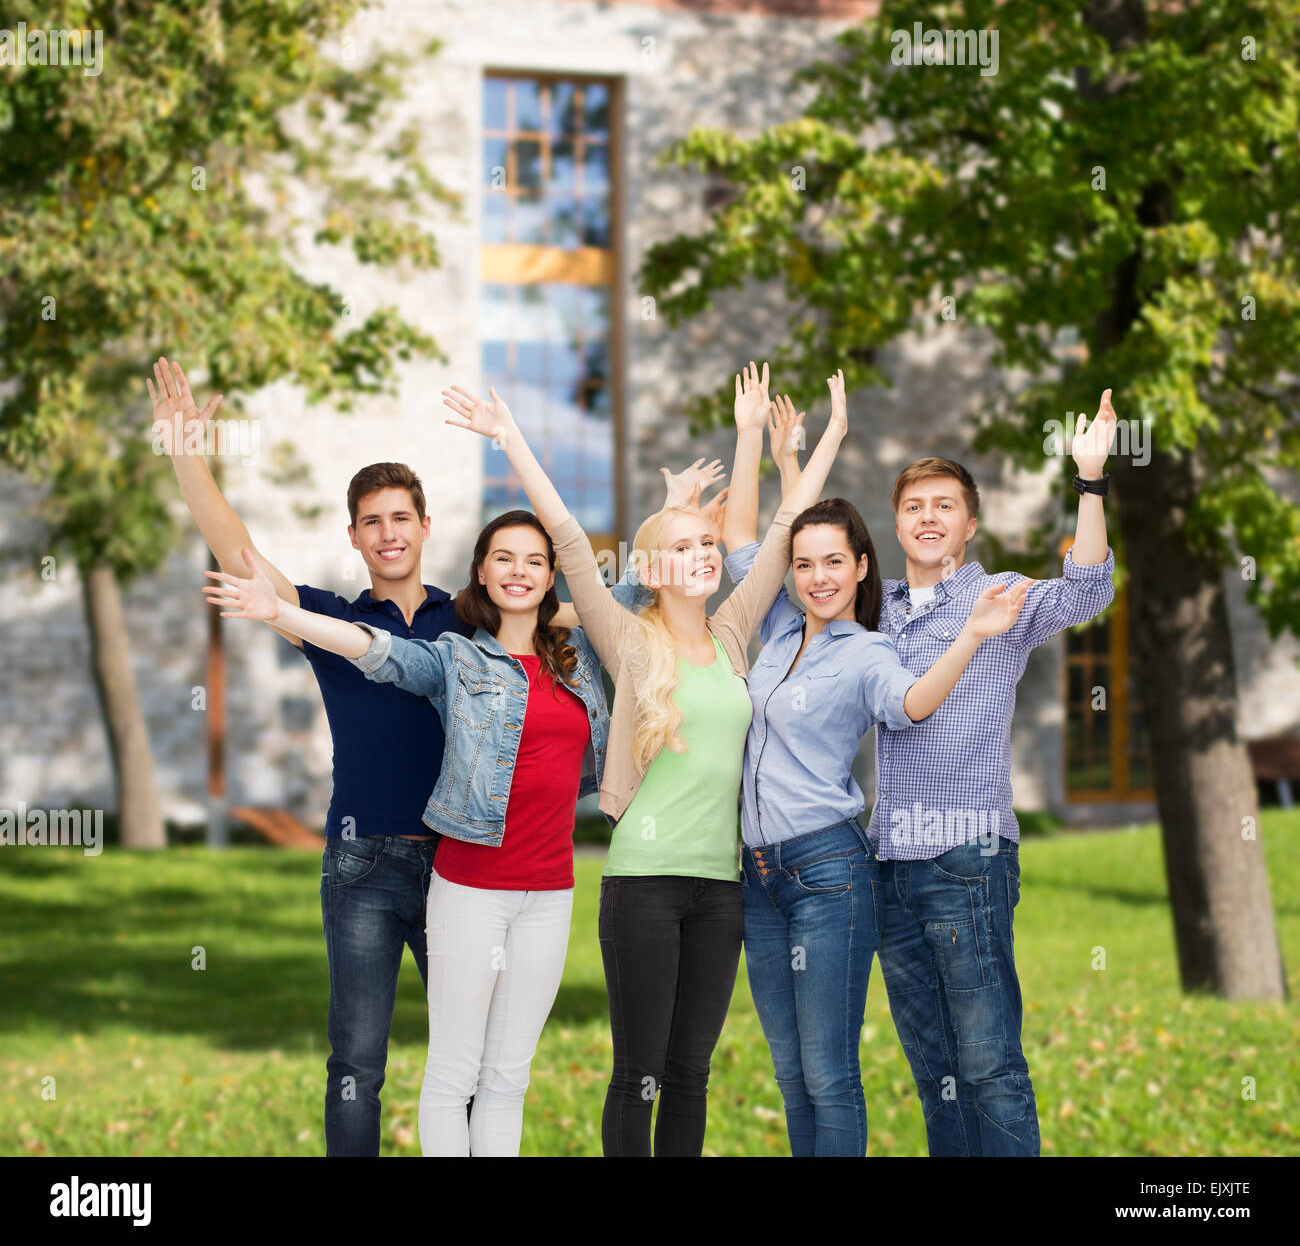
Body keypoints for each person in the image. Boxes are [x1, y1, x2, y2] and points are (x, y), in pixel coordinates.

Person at [152, 354, 724, 1155]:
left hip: (469, 858)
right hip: (368, 859)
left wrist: (667, 520)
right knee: (360, 1057)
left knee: (491, 1063)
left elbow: (600, 599)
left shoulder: (472, 629)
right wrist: (187, 453)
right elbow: (243, 557)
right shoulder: (332, 621)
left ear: (426, 529)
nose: (388, 532)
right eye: (372, 520)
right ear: (354, 536)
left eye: (401, 517)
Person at [441, 363, 849, 1156]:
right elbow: (564, 537)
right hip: (642, 884)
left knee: (691, 1071)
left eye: (707, 542)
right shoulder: (627, 640)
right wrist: (509, 436)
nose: (703, 553)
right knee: (641, 1073)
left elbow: (782, 529)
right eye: (685, 545)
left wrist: (801, 436)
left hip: (721, 887)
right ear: (655, 566)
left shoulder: (733, 632)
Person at [772, 387, 1118, 1156]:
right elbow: (802, 563)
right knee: (936, 1071)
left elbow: (1091, 587)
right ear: (896, 526)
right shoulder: (876, 609)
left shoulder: (1003, 598)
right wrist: (792, 459)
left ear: (968, 523)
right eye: (914, 506)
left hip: (968, 860)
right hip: (889, 864)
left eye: (944, 505)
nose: (928, 517)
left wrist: (1089, 482)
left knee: (988, 1063)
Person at [203, 508, 610, 1156]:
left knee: (504, 1078)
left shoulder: (577, 659)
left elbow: (625, 604)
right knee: (442, 1071)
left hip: (550, 894)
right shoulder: (455, 655)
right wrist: (277, 612)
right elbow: (375, 650)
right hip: (465, 883)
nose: (519, 570)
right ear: (479, 570)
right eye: (504, 557)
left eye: (535, 559)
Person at [719, 391, 1032, 1156]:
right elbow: (742, 541)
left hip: (829, 865)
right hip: (756, 873)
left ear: (864, 568)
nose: (817, 576)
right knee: (792, 1073)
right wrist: (757, 439)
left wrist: (968, 635)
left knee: (832, 1073)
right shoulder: (777, 628)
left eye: (836, 563)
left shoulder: (868, 648)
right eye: (803, 564)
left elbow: (914, 704)